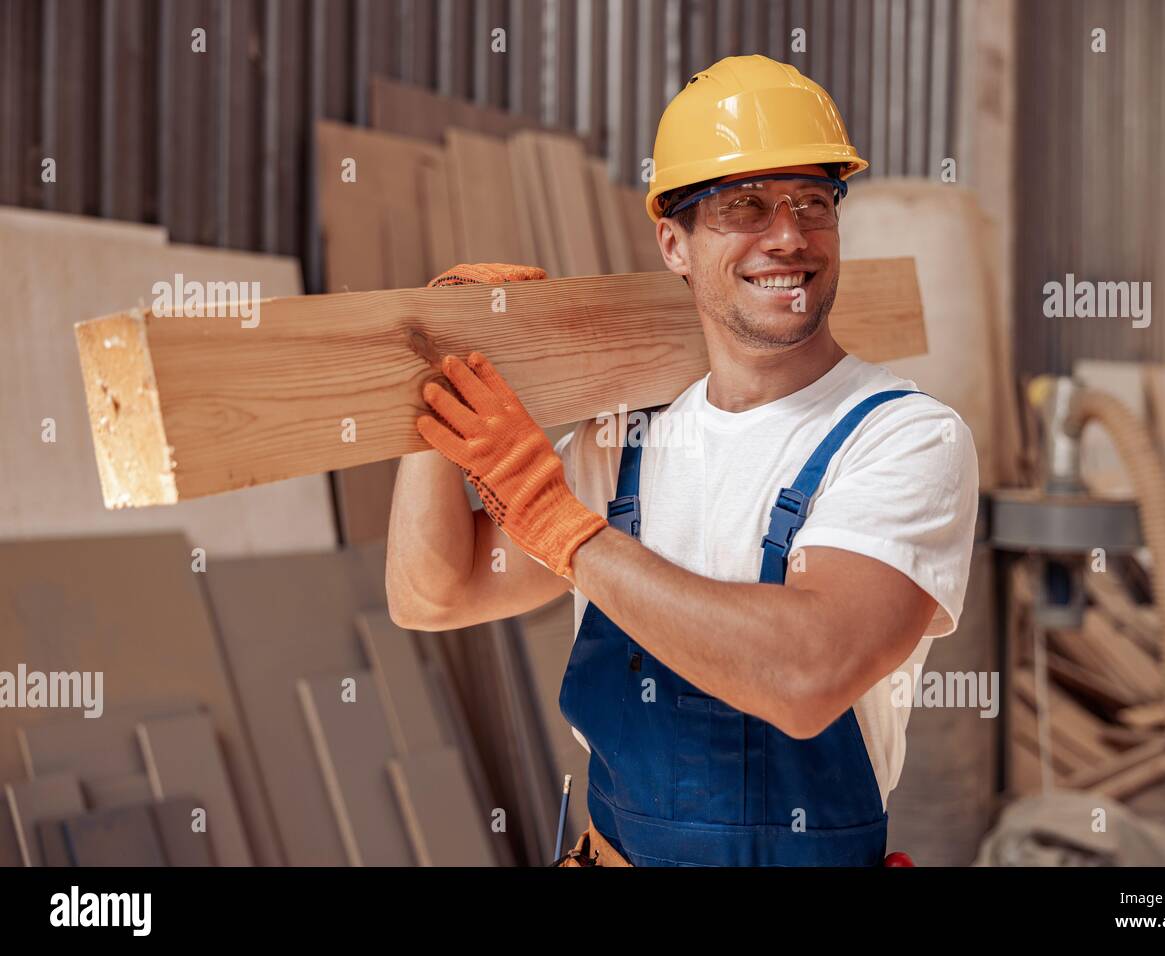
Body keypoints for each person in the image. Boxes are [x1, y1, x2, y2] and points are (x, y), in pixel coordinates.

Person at [386, 54, 978, 867]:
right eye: (745, 206)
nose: (789, 237)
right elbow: (433, 595)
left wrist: (569, 532)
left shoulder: (903, 437)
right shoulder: (628, 442)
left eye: (814, 202)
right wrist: (442, 374)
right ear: (674, 241)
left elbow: (807, 674)